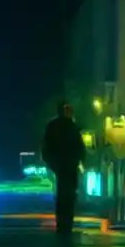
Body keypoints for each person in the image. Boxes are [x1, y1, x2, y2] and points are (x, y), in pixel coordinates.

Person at [42, 100, 85, 234]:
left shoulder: (56, 125)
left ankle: (64, 223)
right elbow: (79, 146)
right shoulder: (70, 126)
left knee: (64, 195)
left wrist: (51, 162)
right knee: (68, 195)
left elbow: (46, 146)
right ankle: (65, 223)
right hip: (67, 164)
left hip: (63, 164)